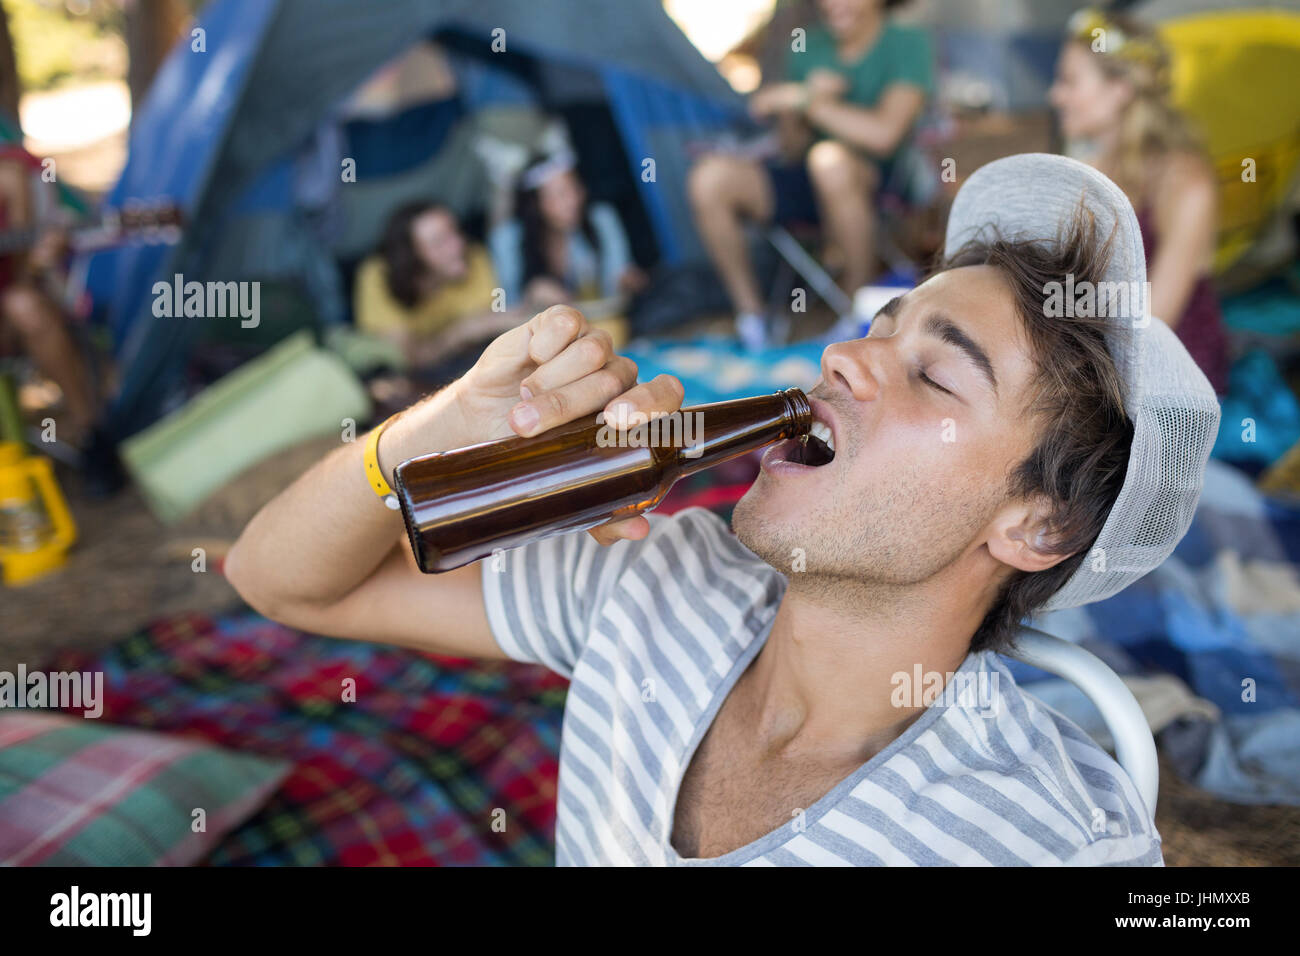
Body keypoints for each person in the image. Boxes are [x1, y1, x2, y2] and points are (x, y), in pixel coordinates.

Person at [226, 154, 1219, 866]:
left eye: (935, 374)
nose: (842, 355)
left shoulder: (1046, 837)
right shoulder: (657, 581)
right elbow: (277, 578)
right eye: (877, 324)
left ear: (1036, 525)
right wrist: (428, 431)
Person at [687, 0, 933, 349]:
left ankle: (856, 312)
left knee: (828, 160)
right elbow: (790, 150)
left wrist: (808, 101)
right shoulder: (807, 46)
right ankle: (753, 320)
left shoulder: (907, 42)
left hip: (880, 184)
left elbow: (884, 135)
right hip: (808, 180)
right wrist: (795, 112)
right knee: (709, 179)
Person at [1050, 7, 1229, 393]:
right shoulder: (1087, 167)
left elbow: (1152, 324)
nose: (1056, 95)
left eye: (1069, 81)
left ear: (1120, 90)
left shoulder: (1185, 182)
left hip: (1170, 390)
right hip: (1095, 365)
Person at [0, 147, 98, 448]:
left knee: (25, 306)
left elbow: (25, 276)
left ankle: (92, 434)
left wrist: (38, 260)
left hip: (10, 314)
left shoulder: (12, 173)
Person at [353, 200, 522, 369]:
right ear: (411, 256)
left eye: (454, 232)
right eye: (439, 242)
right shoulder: (377, 276)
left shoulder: (474, 256)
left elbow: (488, 325)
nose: (458, 245)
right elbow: (408, 360)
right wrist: (461, 332)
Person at [488, 150, 646, 311]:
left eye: (575, 188)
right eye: (560, 195)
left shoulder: (601, 218)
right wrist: (531, 296)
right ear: (535, 204)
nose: (573, 201)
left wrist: (628, 280)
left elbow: (616, 277)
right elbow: (505, 306)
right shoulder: (507, 239)